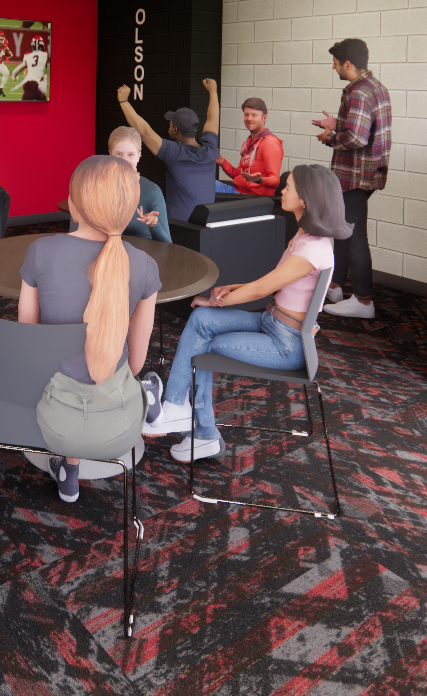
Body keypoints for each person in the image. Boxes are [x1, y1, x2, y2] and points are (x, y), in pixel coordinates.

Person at [142, 164, 350, 463]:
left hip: (286, 344)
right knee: (201, 322)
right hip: (272, 323)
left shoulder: (312, 249)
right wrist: (233, 287)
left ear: (306, 199)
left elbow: (262, 289)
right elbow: (276, 282)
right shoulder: (306, 238)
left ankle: (201, 431)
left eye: (288, 187)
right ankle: (179, 409)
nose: (282, 191)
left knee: (204, 345)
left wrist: (217, 301)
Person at [20, 156, 161, 503]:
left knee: (66, 372)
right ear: (129, 210)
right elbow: (135, 363)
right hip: (120, 432)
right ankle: (150, 398)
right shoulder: (145, 266)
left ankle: (69, 468)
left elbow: (27, 342)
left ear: (73, 204)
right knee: (134, 374)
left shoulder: (39, 252)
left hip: (52, 426)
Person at [310, 38, 391, 319]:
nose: (333, 68)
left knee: (354, 236)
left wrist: (330, 137)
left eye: (335, 63)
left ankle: (363, 301)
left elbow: (356, 137)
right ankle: (334, 287)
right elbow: (364, 126)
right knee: (342, 230)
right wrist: (338, 123)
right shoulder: (376, 87)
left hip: (354, 174)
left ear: (347, 63)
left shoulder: (358, 92)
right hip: (368, 172)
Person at [117, 77, 219, 224]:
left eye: (170, 125)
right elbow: (212, 120)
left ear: (175, 129)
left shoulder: (175, 153)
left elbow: (144, 131)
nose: (169, 127)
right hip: (206, 226)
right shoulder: (210, 148)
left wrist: (123, 101)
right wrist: (213, 91)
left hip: (180, 227)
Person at [106, 126, 171, 244]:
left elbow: (168, 244)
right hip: (106, 252)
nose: (124, 160)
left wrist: (153, 224)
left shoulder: (151, 191)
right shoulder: (100, 186)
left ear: (139, 156)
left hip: (143, 253)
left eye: (131, 154)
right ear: (110, 154)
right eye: (119, 154)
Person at [217, 97, 283, 198]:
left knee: (203, 186)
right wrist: (221, 161)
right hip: (237, 191)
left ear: (264, 118)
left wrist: (259, 180)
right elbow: (238, 174)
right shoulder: (248, 142)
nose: (249, 119)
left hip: (251, 198)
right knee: (202, 183)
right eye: (246, 114)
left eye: (254, 115)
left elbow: (275, 181)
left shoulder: (270, 143)